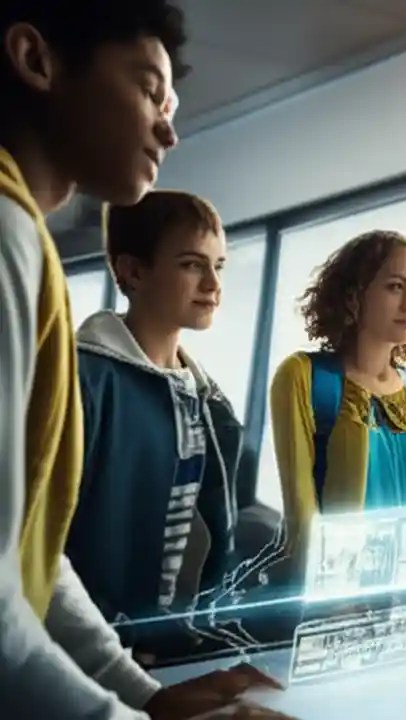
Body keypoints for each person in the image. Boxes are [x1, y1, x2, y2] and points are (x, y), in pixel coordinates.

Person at [0, 2, 286, 718]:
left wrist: (144, 696)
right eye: (148, 90)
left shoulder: (26, 241)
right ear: (36, 60)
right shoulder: (7, 237)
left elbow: (29, 555)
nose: (169, 129)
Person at [65, 190, 251, 665]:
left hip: (173, 651)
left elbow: (216, 538)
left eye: (219, 266)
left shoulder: (210, 401)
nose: (213, 283)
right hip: (85, 656)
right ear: (133, 271)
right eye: (192, 264)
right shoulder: (81, 382)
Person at [269, 230, 406, 583]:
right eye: (396, 287)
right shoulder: (304, 376)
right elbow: (302, 516)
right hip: (332, 594)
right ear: (353, 295)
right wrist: (333, 597)